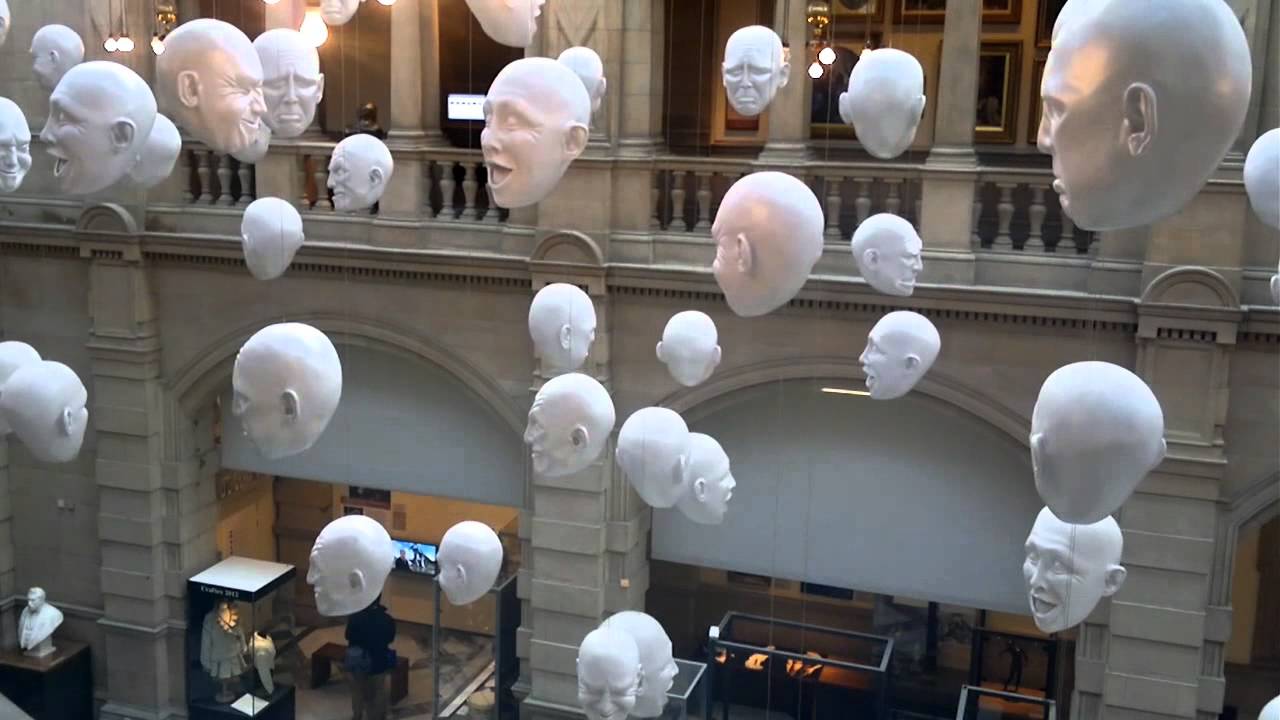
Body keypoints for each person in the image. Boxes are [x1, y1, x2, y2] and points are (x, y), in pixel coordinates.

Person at [345, 595, 397, 720]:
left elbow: (348, 636)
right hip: (378, 662)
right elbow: (390, 638)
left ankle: (357, 715)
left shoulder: (355, 617)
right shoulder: (386, 619)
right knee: (378, 692)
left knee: (357, 692)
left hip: (357, 661)